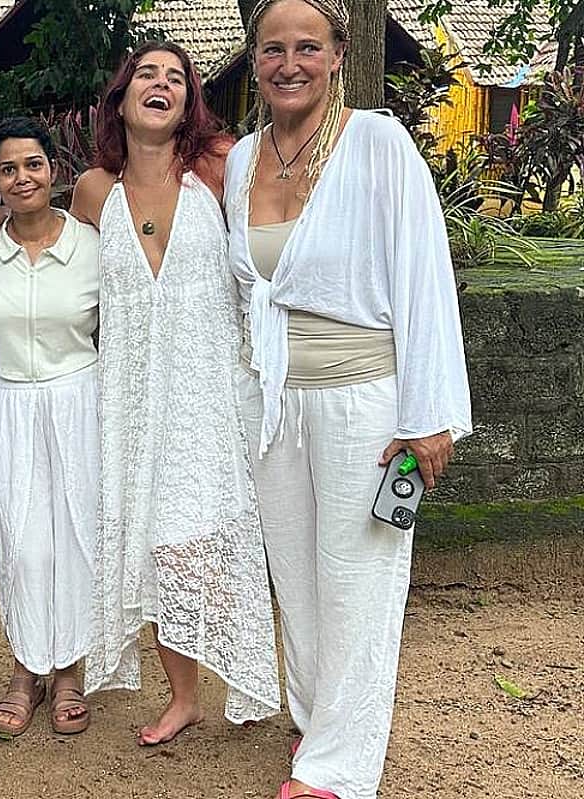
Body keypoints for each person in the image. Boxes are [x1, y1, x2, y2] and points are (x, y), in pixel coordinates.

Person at [225, 2, 472, 798]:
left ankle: (339, 763)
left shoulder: (378, 141)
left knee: (357, 578)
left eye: (307, 47)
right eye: (272, 49)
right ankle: (316, 712)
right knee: (294, 578)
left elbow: (423, 274)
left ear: (338, 55)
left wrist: (426, 414)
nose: (288, 63)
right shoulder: (241, 161)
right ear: (255, 60)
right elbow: (244, 297)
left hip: (363, 396)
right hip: (271, 400)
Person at [70, 41, 281, 743]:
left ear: (189, 103)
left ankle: (248, 668)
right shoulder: (92, 191)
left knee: (199, 542)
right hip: (130, 393)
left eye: (176, 79)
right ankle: (184, 694)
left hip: (208, 387)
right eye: (146, 76)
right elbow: (60, 273)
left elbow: (268, 255)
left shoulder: (217, 171)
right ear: (121, 97)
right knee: (153, 544)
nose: (160, 85)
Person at [0, 117, 100, 737]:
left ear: (55, 171)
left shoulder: (93, 247)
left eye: (33, 165)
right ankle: (26, 671)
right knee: (21, 540)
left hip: (81, 399)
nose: (22, 178)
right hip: (13, 402)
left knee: (76, 536)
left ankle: (70, 672)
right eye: (8, 169)